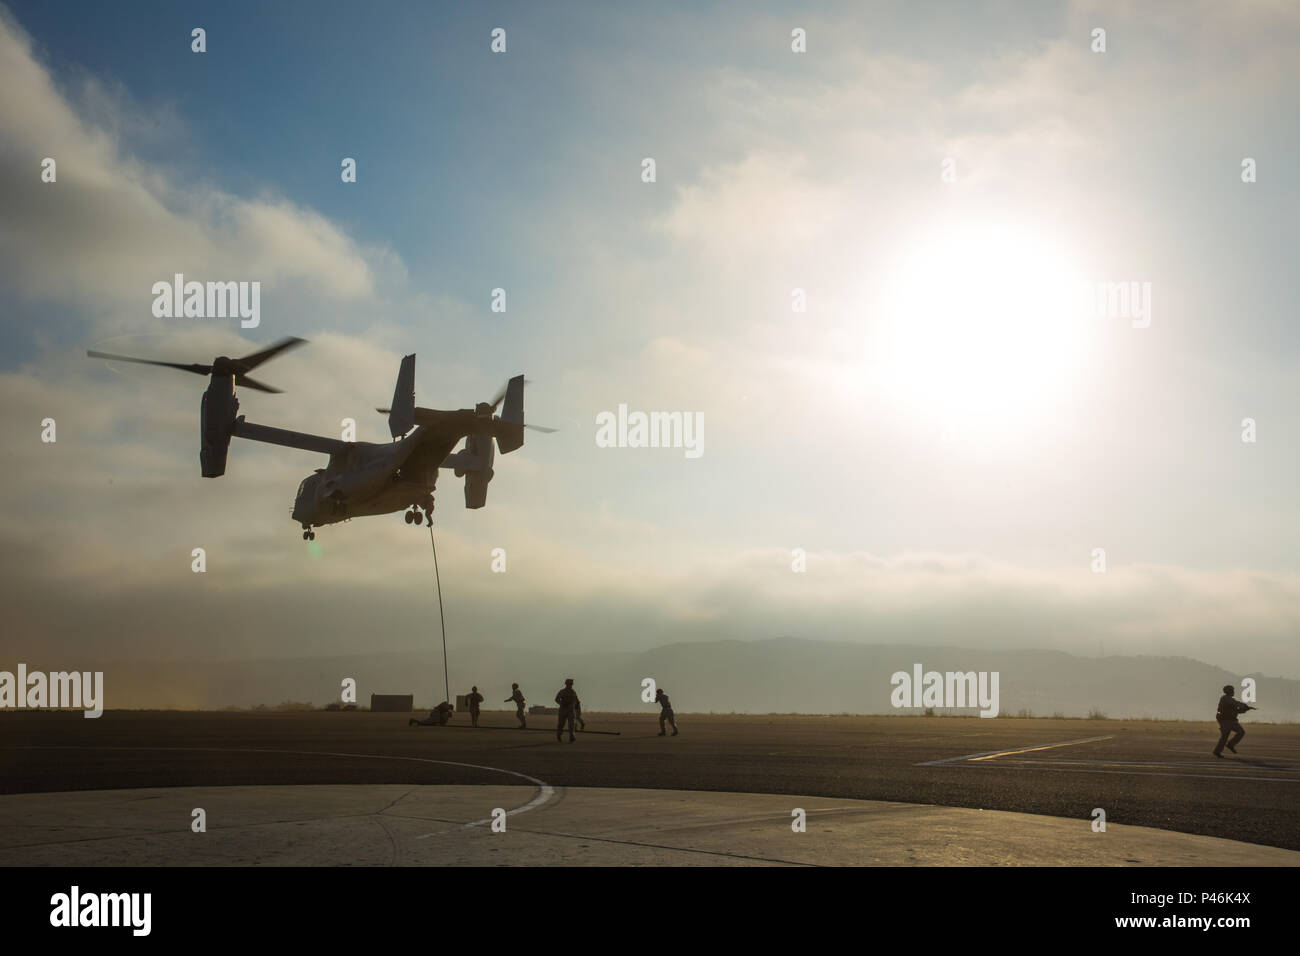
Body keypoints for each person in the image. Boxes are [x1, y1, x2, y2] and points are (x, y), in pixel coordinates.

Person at [1213, 684, 1255, 757]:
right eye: (1232, 690)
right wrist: (1245, 706)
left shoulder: (1230, 700)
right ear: (1228, 691)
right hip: (1225, 720)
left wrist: (1246, 709)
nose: (1233, 692)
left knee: (1241, 732)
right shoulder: (1225, 698)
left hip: (1232, 720)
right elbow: (1236, 704)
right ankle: (1217, 751)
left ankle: (1230, 744)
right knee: (1225, 736)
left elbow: (1237, 710)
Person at [555, 678, 580, 742]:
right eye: (570, 684)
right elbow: (557, 699)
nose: (570, 685)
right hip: (563, 710)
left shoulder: (573, 692)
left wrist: (577, 709)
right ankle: (559, 735)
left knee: (571, 724)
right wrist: (562, 703)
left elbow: (577, 701)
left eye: (571, 684)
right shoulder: (562, 691)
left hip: (571, 710)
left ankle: (572, 736)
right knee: (561, 724)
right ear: (566, 684)